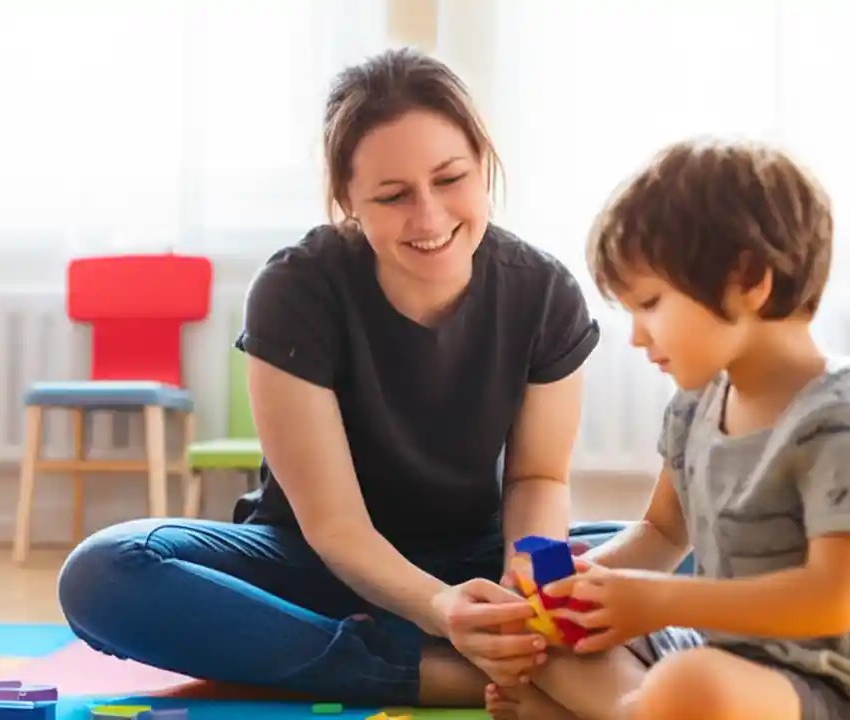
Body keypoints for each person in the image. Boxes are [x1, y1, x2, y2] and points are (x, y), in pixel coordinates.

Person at [56, 47, 604, 708]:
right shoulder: (296, 288)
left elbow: (537, 479)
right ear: (349, 200)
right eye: (393, 195)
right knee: (104, 574)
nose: (429, 217)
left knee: (687, 563)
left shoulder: (544, 292)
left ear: (483, 165)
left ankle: (458, 649)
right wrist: (439, 609)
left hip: (476, 562)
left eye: (451, 178)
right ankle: (435, 673)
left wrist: (530, 583)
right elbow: (334, 525)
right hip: (312, 565)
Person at [484, 138, 850, 720]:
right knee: (543, 645)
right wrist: (582, 590)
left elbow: (835, 601)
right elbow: (662, 533)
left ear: (748, 280)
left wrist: (660, 601)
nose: (638, 337)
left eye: (650, 303)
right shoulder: (696, 404)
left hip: (834, 698)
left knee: (689, 688)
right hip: (718, 658)